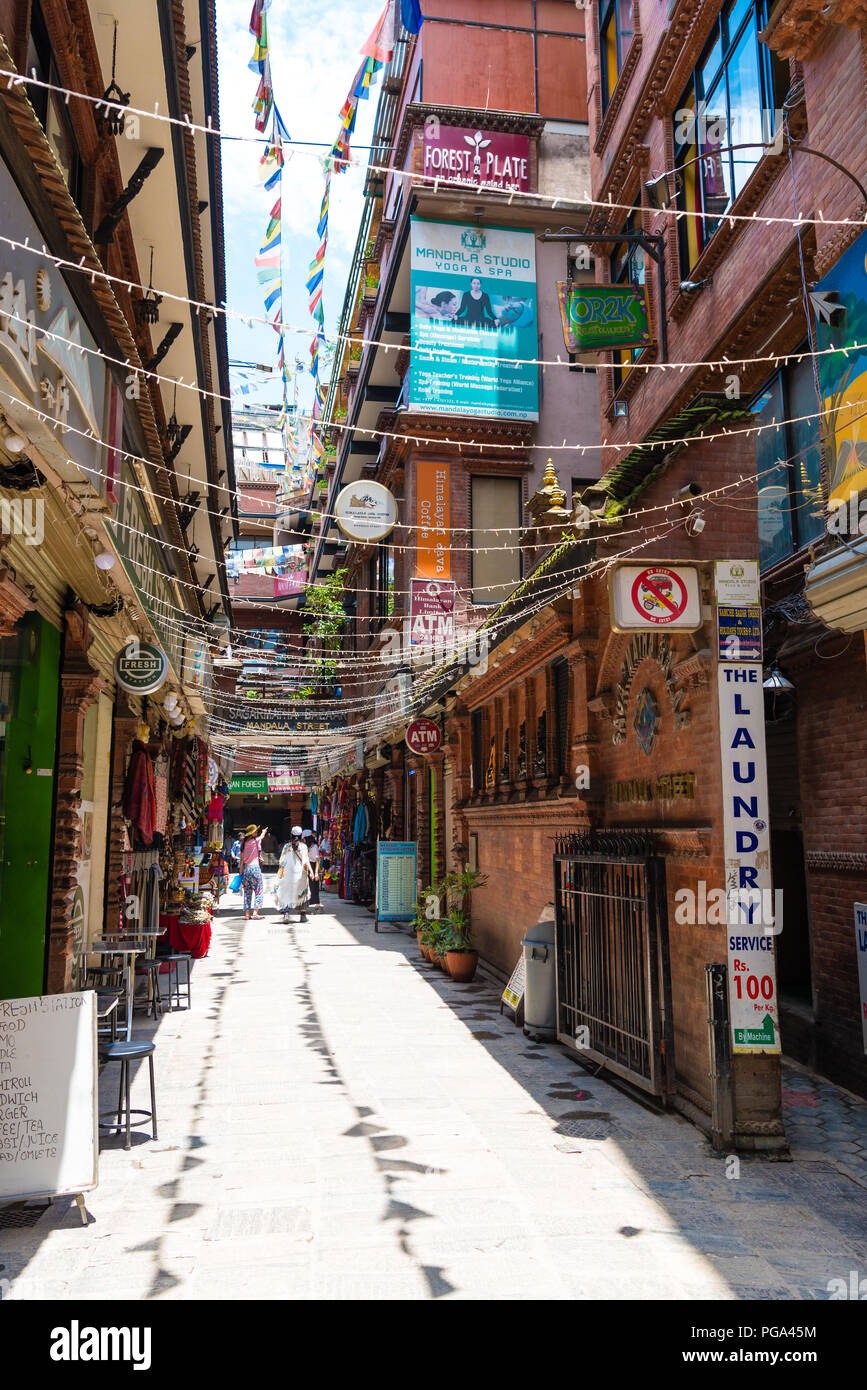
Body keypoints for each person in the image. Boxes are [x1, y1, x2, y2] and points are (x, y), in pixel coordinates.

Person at [276, 826, 310, 923]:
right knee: (302, 893)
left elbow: (281, 861)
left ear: (291, 835)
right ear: (301, 835)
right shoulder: (303, 846)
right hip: (300, 875)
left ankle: (286, 914)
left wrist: (280, 874)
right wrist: (311, 872)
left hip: (288, 874)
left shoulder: (286, 846)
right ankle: (303, 915)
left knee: (287, 893)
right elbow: (306, 861)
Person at [239, 824, 266, 920]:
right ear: (252, 833)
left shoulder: (243, 844)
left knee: (247, 892)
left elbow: (241, 861)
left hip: (246, 870)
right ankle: (255, 913)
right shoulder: (255, 841)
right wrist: (264, 831)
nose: (257, 833)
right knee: (258, 891)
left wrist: (240, 873)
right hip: (255, 868)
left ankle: (247, 915)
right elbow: (262, 837)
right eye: (256, 831)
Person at [304, 830, 321, 911]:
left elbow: (317, 860)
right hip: (308, 866)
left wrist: (316, 872)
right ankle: (309, 903)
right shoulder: (306, 846)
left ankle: (317, 904)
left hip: (313, 866)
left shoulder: (314, 847)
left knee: (314, 885)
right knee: (309, 886)